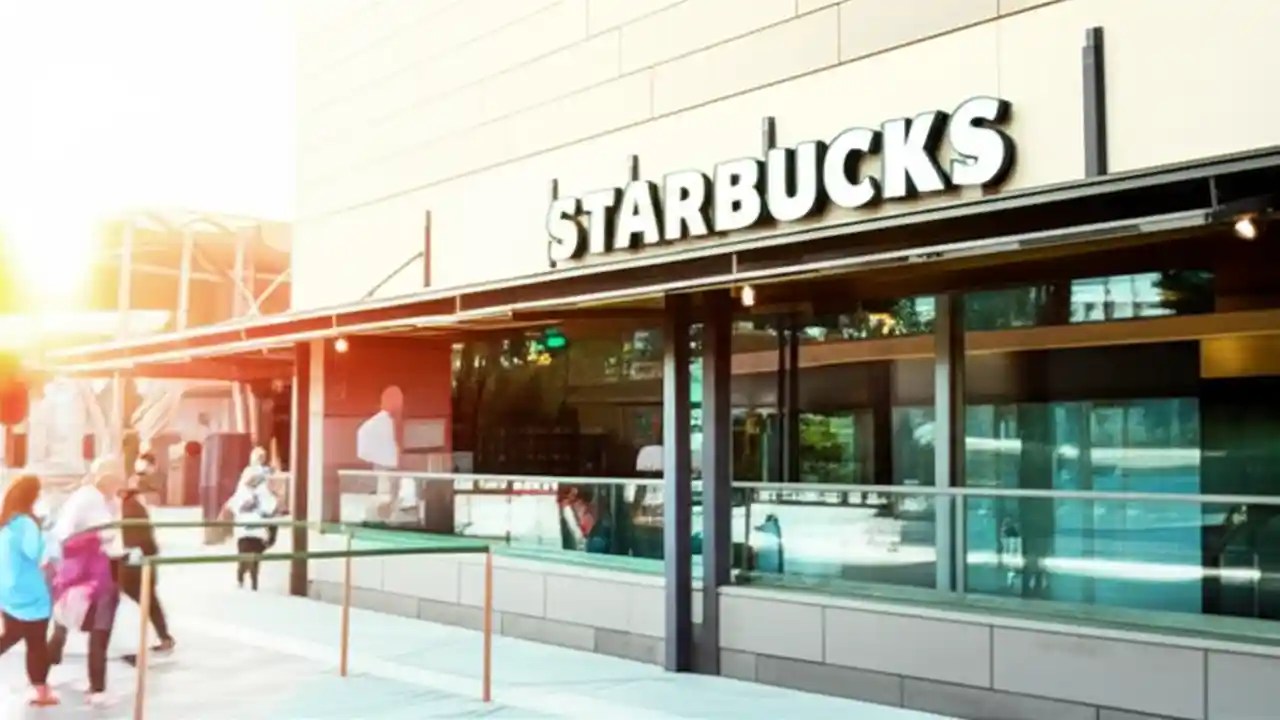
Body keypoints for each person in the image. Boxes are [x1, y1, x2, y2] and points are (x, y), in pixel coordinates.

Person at [48, 455, 124, 708]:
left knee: (66, 623)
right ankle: (97, 688)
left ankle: (41, 674)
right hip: (92, 573)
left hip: (84, 570)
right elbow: (104, 532)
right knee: (100, 628)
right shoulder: (89, 499)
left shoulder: (101, 498)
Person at [0, 474, 59, 706]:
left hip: (7, 591)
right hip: (29, 592)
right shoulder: (27, 523)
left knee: (13, 633)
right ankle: (42, 691)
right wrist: (46, 534)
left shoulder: (6, 522)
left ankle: (41, 689)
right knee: (36, 643)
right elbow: (37, 554)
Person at [118, 452, 175, 666]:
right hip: (139, 553)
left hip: (136, 555)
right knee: (146, 599)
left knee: (143, 598)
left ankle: (154, 641)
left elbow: (141, 530)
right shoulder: (137, 497)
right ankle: (162, 637)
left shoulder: (135, 500)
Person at [225, 467, 278, 590]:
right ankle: (247, 582)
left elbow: (230, 510)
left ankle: (244, 581)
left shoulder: (249, 494)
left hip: (250, 534)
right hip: (252, 534)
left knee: (247, 560)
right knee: (250, 561)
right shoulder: (252, 494)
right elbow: (271, 515)